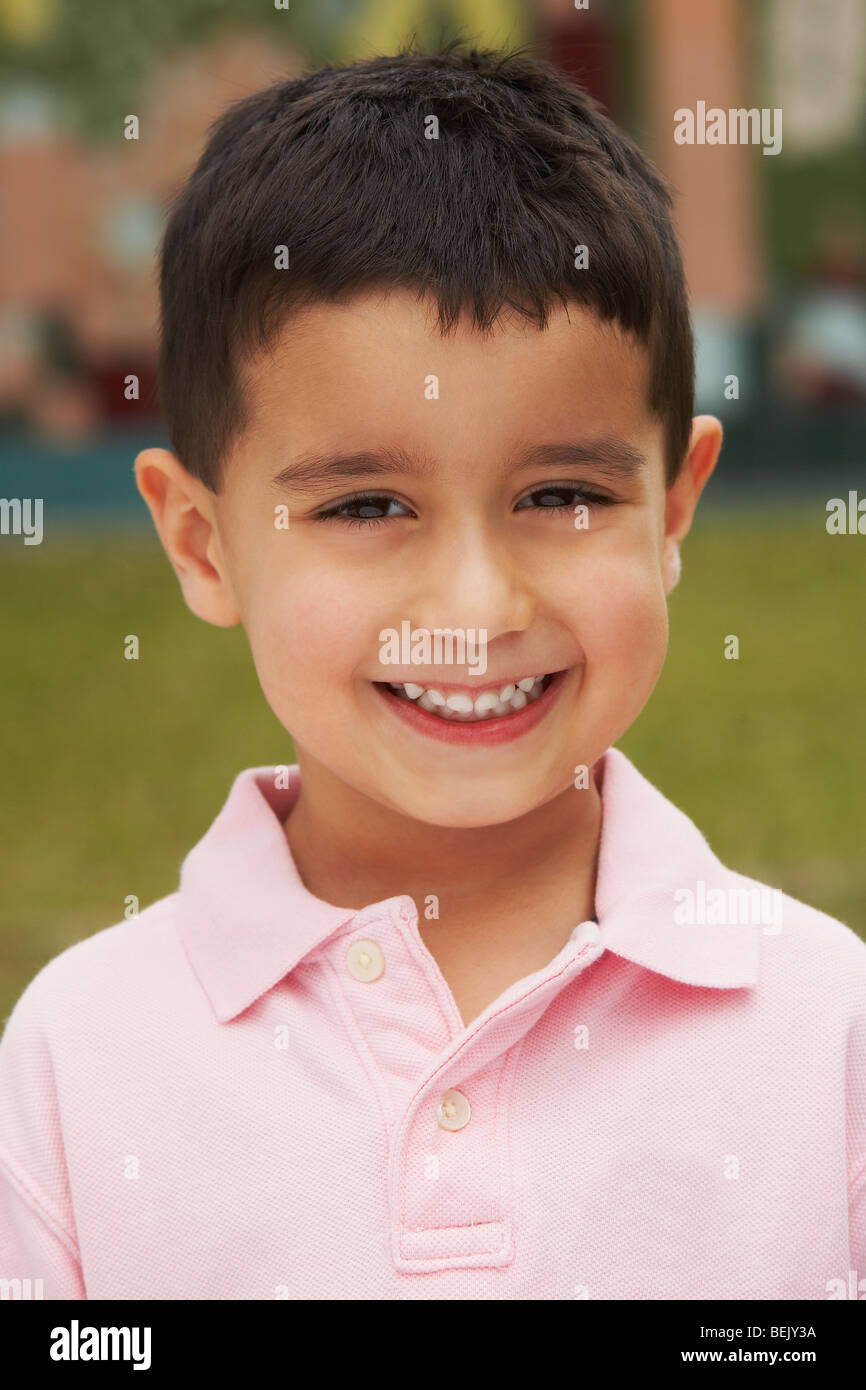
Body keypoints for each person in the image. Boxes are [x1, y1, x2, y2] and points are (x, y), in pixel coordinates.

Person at [1, 41, 864, 1301]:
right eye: (364, 506)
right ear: (201, 543)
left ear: (672, 514)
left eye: (559, 494)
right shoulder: (78, 1061)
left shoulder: (827, 1031)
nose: (476, 605)